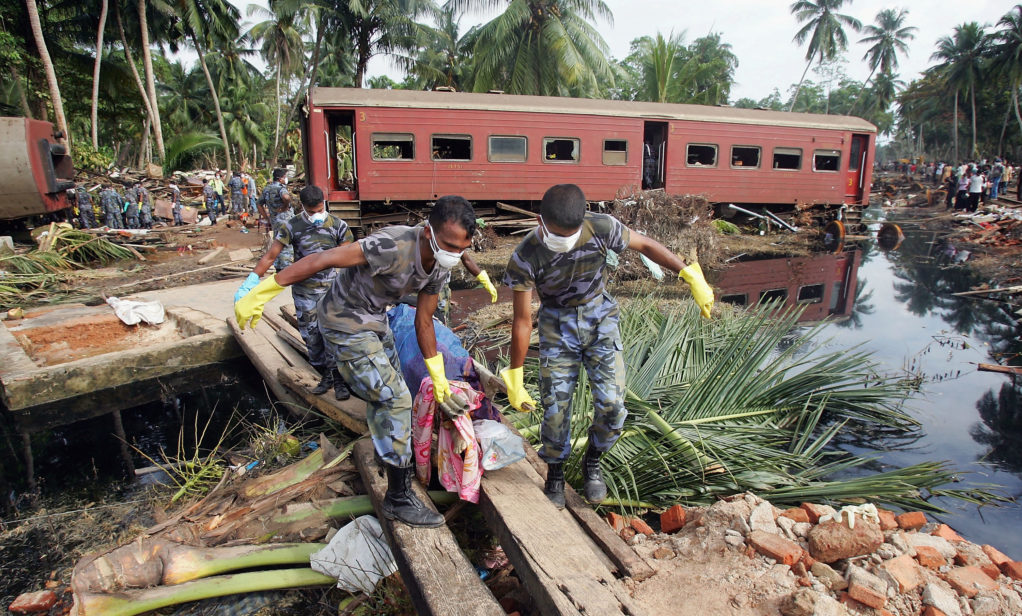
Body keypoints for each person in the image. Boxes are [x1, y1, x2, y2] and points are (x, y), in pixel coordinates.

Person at [235, 195, 477, 528]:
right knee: (395, 399)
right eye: (448, 245)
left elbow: (424, 321)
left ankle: (387, 451)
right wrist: (262, 290)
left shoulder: (440, 265)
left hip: (376, 319)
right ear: (427, 232)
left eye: (460, 249)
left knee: (393, 391)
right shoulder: (391, 245)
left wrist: (437, 376)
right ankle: (397, 498)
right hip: (343, 320)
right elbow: (323, 259)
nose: (453, 255)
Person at [500, 184, 714, 508]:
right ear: (540, 222)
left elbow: (646, 244)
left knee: (613, 405)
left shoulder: (601, 227)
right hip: (556, 326)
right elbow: (521, 320)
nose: (563, 242)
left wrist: (688, 274)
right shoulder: (526, 255)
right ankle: (554, 471)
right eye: (556, 235)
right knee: (555, 409)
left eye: (568, 236)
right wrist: (515, 374)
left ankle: (593, 460)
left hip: (600, 319)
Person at [235, 185, 354, 400]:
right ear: (303, 208)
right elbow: (271, 256)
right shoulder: (292, 226)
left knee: (334, 334)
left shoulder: (338, 225)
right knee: (311, 336)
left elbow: (349, 257)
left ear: (324, 203)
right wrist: (251, 281)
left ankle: (339, 379)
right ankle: (324, 376)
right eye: (312, 211)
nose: (317, 215)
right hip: (304, 291)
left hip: (331, 290)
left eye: (320, 209)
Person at [257, 169, 294, 271]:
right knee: (287, 243)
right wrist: (285, 207)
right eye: (285, 176)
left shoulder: (267, 189)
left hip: (274, 220)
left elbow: (259, 204)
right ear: (280, 178)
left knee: (277, 242)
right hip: (285, 219)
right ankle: (286, 266)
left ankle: (278, 265)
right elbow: (286, 198)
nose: (286, 179)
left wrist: (266, 217)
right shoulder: (280, 188)